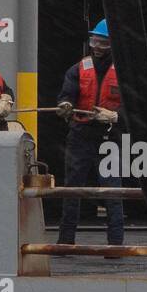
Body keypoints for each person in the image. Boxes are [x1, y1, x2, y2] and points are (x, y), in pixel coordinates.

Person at [54, 19, 124, 247]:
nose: (97, 47)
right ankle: (66, 242)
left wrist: (115, 116)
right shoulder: (78, 69)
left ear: (112, 45)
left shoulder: (124, 72)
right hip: (80, 135)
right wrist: (65, 104)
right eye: (95, 41)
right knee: (73, 190)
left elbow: (136, 108)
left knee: (112, 192)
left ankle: (115, 245)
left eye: (103, 43)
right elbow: (66, 95)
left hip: (109, 137)